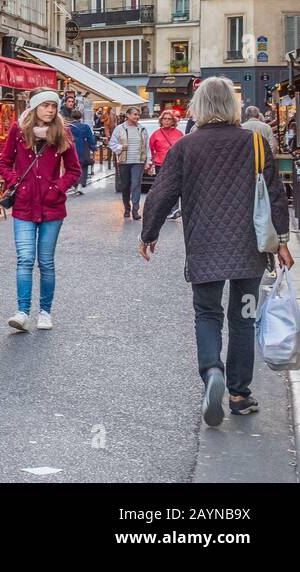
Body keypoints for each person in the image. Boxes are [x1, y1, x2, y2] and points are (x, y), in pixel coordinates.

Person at [140, 77, 294, 424]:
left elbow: (163, 193)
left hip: (205, 247)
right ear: (232, 106)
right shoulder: (255, 142)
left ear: (200, 106)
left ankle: (212, 372)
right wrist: (281, 240)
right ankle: (239, 394)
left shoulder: (185, 146)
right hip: (249, 251)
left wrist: (149, 233)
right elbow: (273, 195)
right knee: (243, 319)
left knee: (207, 314)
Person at [0, 89, 81, 333]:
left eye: (53, 106)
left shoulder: (62, 132)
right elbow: (4, 162)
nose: (50, 110)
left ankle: (45, 311)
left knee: (46, 262)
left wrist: (58, 187)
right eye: (45, 106)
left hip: (52, 208)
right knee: (24, 260)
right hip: (24, 206)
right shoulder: (18, 130)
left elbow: (74, 170)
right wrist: (16, 184)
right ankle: (22, 312)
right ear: (35, 107)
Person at [109, 106, 149, 219]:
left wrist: (148, 160)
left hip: (138, 160)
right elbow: (112, 144)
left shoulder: (142, 129)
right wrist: (121, 147)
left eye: (138, 115)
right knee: (125, 185)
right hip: (124, 161)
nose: (137, 117)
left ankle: (135, 210)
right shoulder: (119, 129)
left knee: (136, 184)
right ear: (128, 115)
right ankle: (127, 207)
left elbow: (147, 146)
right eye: (135, 114)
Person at [67, 110, 96, 194]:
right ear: (81, 117)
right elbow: (90, 138)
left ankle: (75, 184)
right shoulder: (85, 127)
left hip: (71, 149)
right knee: (83, 167)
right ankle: (81, 184)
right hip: (83, 148)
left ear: (71, 117)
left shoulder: (68, 127)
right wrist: (93, 147)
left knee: (72, 168)